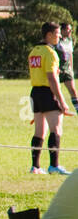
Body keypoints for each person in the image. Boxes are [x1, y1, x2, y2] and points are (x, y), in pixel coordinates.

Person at [28, 21, 73, 174]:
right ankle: (54, 165)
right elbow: (51, 77)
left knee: (39, 131)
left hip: (35, 92)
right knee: (56, 129)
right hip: (48, 92)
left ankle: (35, 166)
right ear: (49, 35)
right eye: (57, 33)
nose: (60, 36)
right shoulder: (51, 53)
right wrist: (61, 100)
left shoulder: (34, 51)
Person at [59, 22, 78, 113]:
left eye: (70, 29)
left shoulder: (70, 40)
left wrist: (71, 68)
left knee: (73, 91)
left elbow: (70, 54)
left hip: (67, 70)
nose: (70, 31)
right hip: (57, 70)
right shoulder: (56, 41)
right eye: (67, 29)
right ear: (61, 30)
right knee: (55, 92)